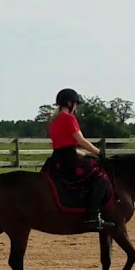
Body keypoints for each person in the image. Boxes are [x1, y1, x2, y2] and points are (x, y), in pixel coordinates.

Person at [46, 88, 111, 231]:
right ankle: (93, 217)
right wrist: (99, 153)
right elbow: (81, 141)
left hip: (56, 160)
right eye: (75, 104)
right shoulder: (69, 118)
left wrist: (84, 155)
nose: (76, 107)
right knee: (100, 177)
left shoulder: (53, 121)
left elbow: (63, 146)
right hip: (70, 161)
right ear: (70, 103)